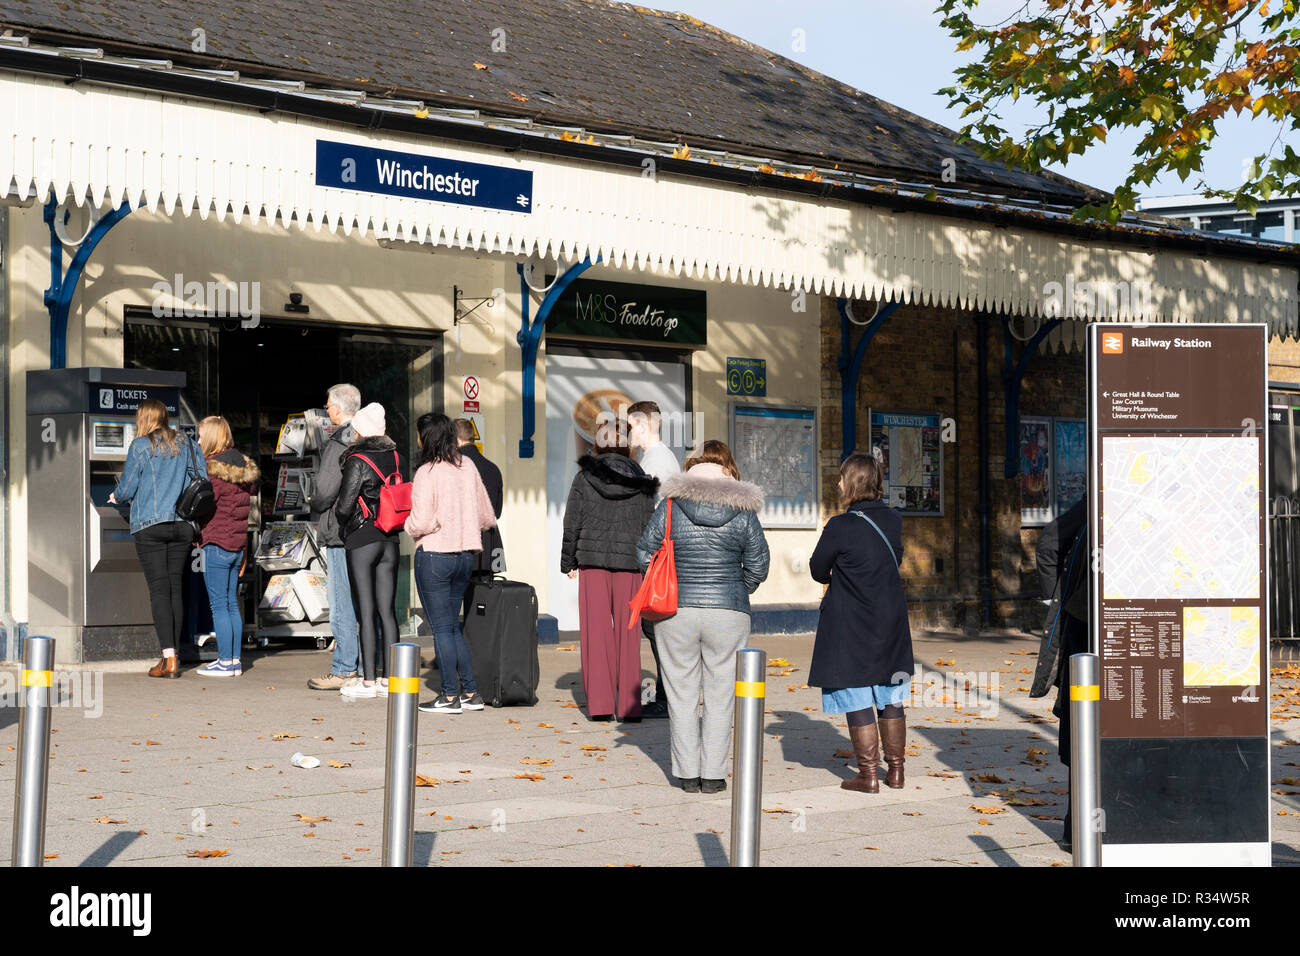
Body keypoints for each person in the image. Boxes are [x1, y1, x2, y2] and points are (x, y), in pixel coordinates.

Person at [636, 440, 769, 792]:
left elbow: (644, 553)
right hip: (728, 612)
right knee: (722, 693)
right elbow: (759, 565)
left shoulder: (670, 506)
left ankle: (687, 774)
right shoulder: (743, 511)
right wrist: (736, 590)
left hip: (674, 611)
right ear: (729, 471)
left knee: (680, 694)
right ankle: (713, 775)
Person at [808, 453, 914, 793]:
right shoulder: (894, 520)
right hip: (890, 617)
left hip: (851, 620)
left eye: (841, 478)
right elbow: (893, 559)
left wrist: (838, 574)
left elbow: (816, 569)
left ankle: (868, 775)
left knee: (855, 692)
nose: (838, 484)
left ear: (852, 482)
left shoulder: (840, 526)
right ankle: (896, 772)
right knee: (889, 692)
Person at [562, 432, 659, 722]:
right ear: (626, 448)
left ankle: (601, 706)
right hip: (630, 565)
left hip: (592, 563)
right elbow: (648, 527)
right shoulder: (642, 482)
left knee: (596, 634)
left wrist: (567, 561)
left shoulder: (583, 478)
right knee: (629, 638)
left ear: (597, 446)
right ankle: (630, 707)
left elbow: (572, 522)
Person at [108, 399, 207, 679]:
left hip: (150, 525)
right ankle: (173, 655)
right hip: (182, 524)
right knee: (175, 588)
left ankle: (168, 658)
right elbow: (200, 480)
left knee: (160, 590)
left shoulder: (141, 446)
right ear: (164, 417)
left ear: (144, 419)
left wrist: (116, 496)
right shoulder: (187, 444)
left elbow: (127, 489)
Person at [407, 414, 498, 714]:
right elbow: (487, 516)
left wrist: (410, 525)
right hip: (464, 556)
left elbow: (419, 522)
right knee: (453, 628)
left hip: (434, 555)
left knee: (442, 629)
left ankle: (448, 696)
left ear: (426, 438)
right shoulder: (467, 466)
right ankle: (471, 692)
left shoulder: (426, 472)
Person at [333, 403, 404, 699]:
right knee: (388, 611)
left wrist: (342, 522)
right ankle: (393, 680)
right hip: (391, 537)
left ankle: (369, 682)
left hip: (362, 538)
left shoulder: (356, 460)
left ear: (360, 430)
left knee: (366, 612)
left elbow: (345, 506)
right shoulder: (396, 456)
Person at [1032, 498, 1088, 850]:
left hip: (1084, 626)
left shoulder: (1098, 498)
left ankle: (1077, 826)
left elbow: (1049, 544)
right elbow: (1048, 547)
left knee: (1084, 720)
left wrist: (1057, 600)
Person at [307, 384, 362, 691]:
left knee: (341, 602)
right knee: (364, 601)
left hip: (340, 531)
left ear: (339, 409)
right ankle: (369, 666)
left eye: (328, 406)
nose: (327, 410)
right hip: (369, 533)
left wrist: (314, 503)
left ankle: (343, 668)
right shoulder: (374, 439)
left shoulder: (340, 441)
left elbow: (325, 490)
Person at [194, 416, 259, 677]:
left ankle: (224, 660)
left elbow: (203, 506)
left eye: (200, 436)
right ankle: (233, 660)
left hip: (216, 542)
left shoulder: (214, 471)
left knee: (219, 605)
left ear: (211, 438)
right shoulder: (243, 469)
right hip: (235, 545)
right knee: (231, 604)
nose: (198, 441)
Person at [628, 400, 679, 720]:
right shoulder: (661, 458)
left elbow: (647, 510)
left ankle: (667, 698)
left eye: (631, 427)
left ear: (644, 425)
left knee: (656, 628)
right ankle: (667, 695)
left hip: (658, 556)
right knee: (655, 628)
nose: (628, 433)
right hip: (661, 553)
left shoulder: (656, 461)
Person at [455, 418, 505, 579]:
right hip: (489, 542)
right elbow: (497, 512)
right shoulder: (493, 468)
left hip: (462, 542)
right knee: (484, 600)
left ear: (456, 439)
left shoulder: (454, 467)